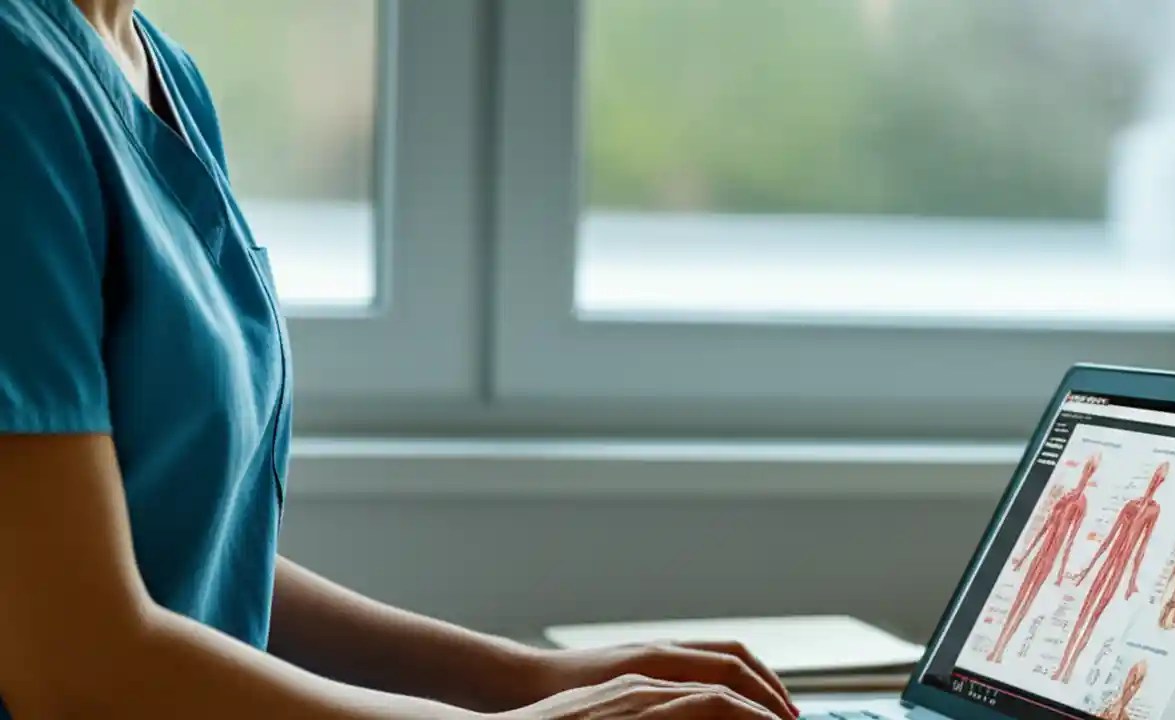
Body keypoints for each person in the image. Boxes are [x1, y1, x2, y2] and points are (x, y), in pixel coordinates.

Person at [0, 1, 798, 717]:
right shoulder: (17, 82)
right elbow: (76, 662)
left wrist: (527, 681)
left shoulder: (160, 72)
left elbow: (191, 564)